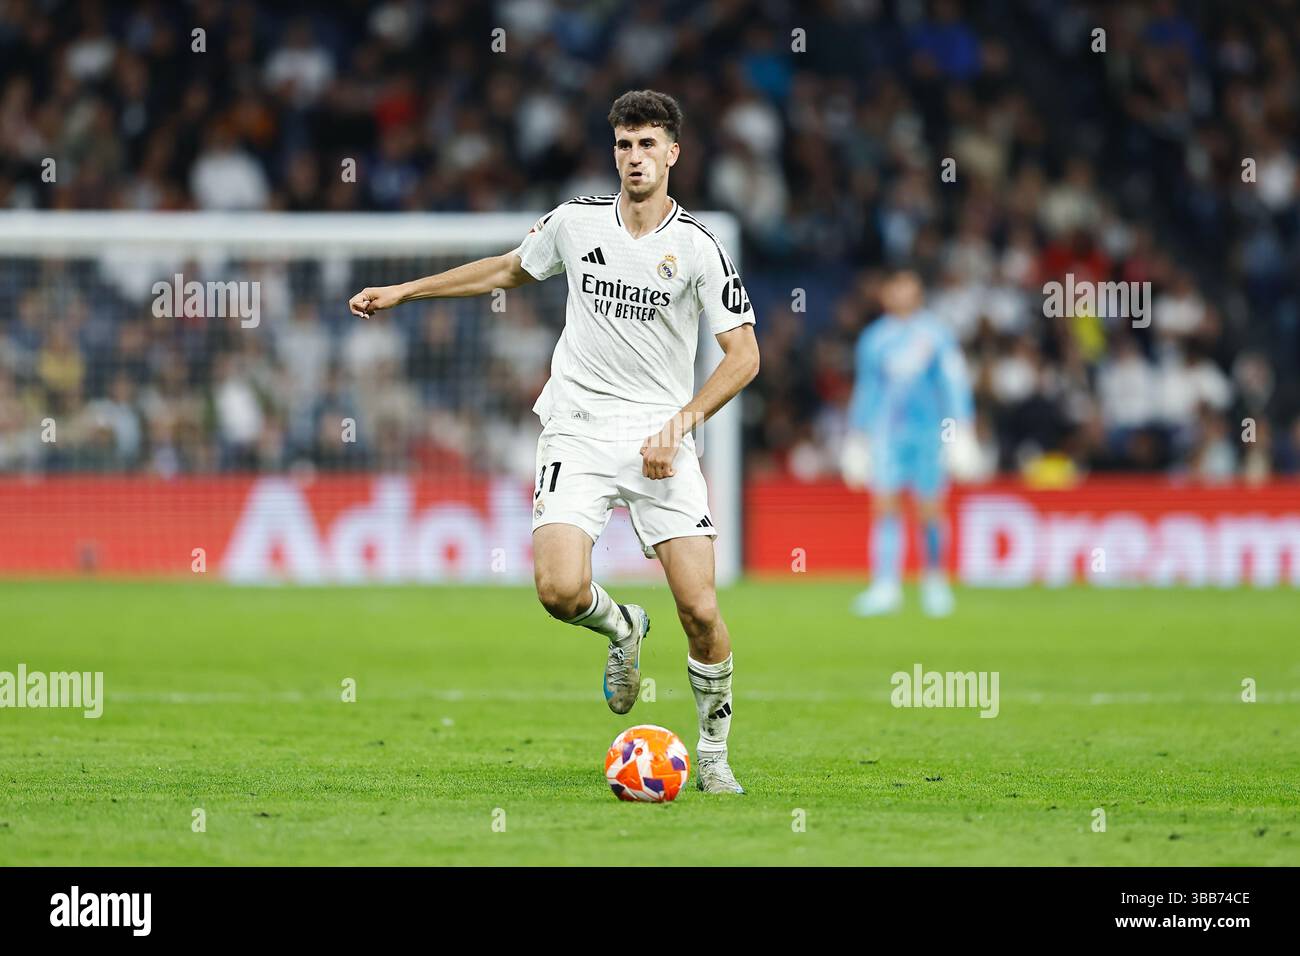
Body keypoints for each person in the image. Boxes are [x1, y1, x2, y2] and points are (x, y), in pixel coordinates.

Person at [348, 90, 759, 794]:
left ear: (674, 154)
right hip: (576, 426)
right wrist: (406, 291)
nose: (636, 157)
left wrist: (679, 426)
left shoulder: (697, 247)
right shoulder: (575, 223)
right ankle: (623, 626)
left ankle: (714, 756)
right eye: (625, 144)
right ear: (615, 153)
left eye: (649, 144)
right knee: (559, 590)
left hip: (662, 437)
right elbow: (508, 269)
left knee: (700, 610)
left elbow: (744, 355)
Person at [843, 269, 973, 617]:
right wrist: (857, 436)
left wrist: (962, 430)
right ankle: (886, 586)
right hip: (887, 434)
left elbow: (953, 383)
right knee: (885, 505)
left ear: (918, 292)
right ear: (886, 293)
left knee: (930, 507)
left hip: (929, 433)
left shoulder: (936, 335)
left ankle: (935, 581)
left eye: (908, 287)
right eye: (895, 287)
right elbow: (867, 389)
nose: (901, 293)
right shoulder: (874, 338)